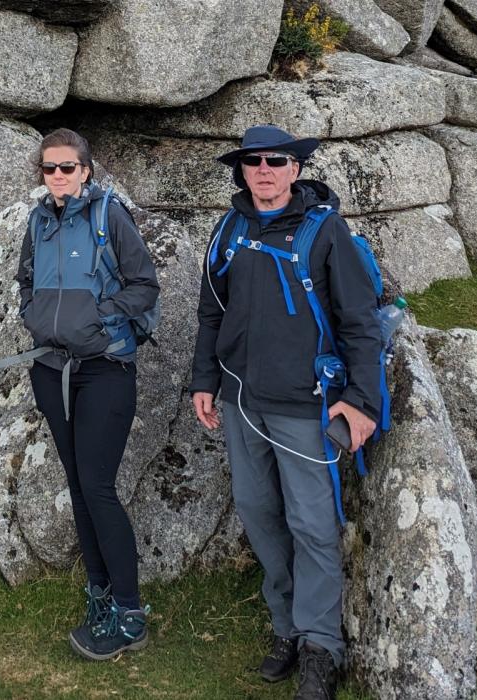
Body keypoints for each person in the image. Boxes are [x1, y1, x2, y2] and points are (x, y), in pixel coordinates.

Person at [190, 124, 382, 700]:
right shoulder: (228, 229)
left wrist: (362, 398)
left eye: (277, 160)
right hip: (241, 400)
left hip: (306, 405)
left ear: (296, 169)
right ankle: (288, 628)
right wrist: (205, 380)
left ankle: (322, 646)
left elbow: (359, 321)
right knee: (258, 514)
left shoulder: (325, 232)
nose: (265, 170)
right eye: (253, 162)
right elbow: (210, 313)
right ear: (241, 171)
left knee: (313, 527)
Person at [14, 128, 159, 661]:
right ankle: (100, 598)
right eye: (49, 169)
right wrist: (34, 316)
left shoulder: (109, 217)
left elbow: (145, 284)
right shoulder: (38, 220)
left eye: (67, 168)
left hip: (104, 370)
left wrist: (94, 319)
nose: (58, 177)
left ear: (87, 170)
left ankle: (129, 613)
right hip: (51, 370)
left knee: (97, 486)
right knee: (78, 485)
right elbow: (25, 281)